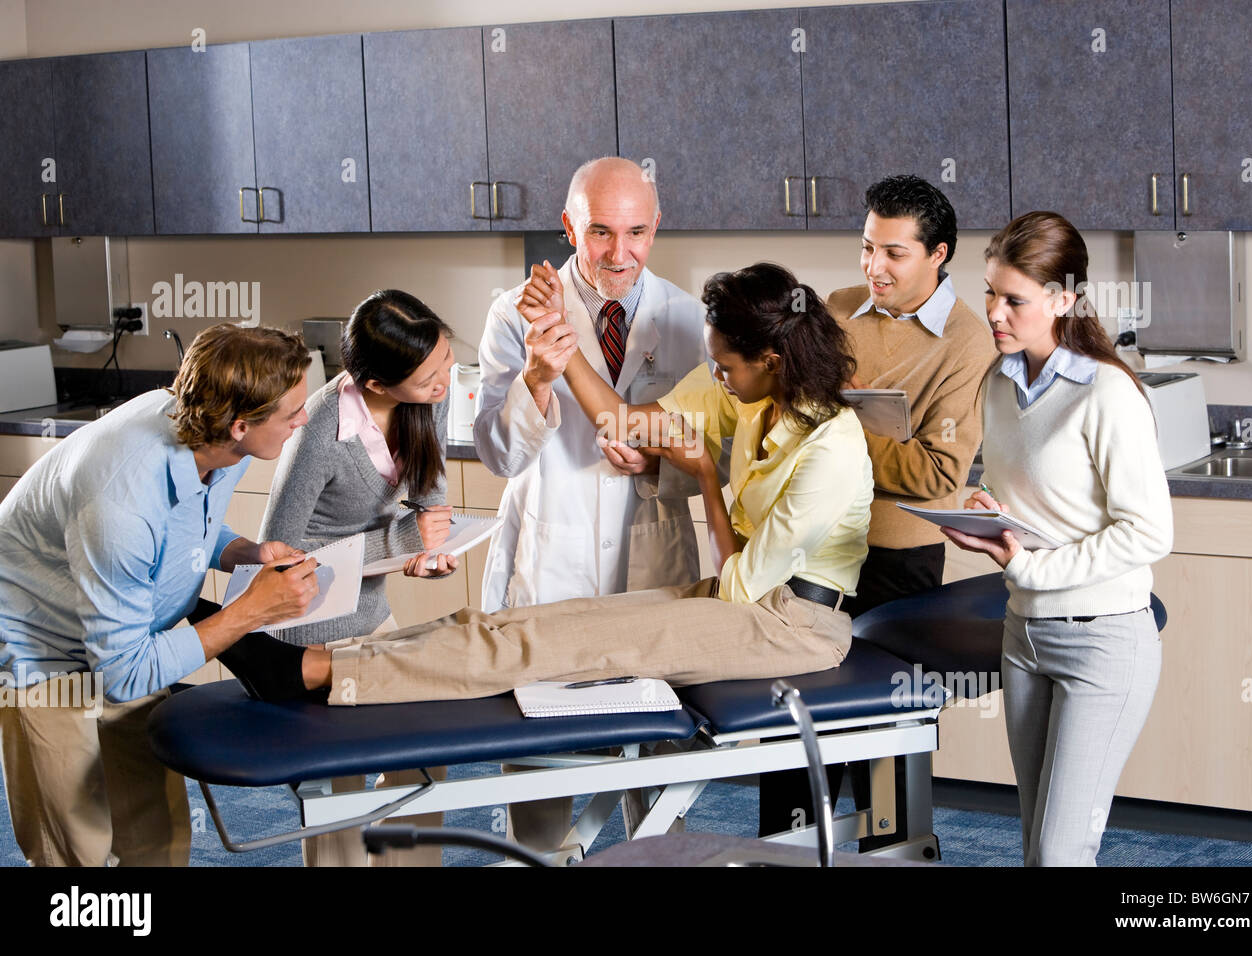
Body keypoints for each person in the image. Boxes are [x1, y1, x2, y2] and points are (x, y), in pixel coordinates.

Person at [219, 264, 872, 728]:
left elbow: (740, 588)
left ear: (772, 361)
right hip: (747, 599)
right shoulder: (756, 400)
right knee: (529, 623)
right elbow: (625, 420)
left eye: (727, 368)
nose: (719, 381)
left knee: (555, 651)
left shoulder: (830, 448)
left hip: (787, 625)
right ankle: (316, 660)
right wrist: (559, 340)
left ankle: (312, 673)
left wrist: (704, 473)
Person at [0, 324, 318, 866]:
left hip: (127, 632)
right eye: (292, 414)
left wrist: (246, 550)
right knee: (77, 846)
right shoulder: (120, 502)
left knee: (157, 835)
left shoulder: (209, 431)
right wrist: (248, 612)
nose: (303, 421)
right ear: (241, 425)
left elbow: (180, 524)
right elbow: (123, 671)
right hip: (40, 652)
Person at [474, 156, 712, 848]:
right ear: (568, 226)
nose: (620, 252)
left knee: (660, 763)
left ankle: (660, 861)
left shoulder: (687, 319)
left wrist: (655, 460)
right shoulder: (512, 314)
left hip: (653, 559)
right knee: (540, 766)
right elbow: (498, 454)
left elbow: (709, 454)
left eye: (636, 232)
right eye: (600, 232)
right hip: (550, 558)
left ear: (656, 226)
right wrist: (539, 381)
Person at [759, 174, 995, 843]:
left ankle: (893, 851)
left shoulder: (966, 343)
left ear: (937, 254)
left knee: (881, 733)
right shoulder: (833, 310)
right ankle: (788, 855)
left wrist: (842, 428)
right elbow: (787, 415)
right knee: (795, 718)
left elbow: (934, 471)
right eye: (868, 248)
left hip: (896, 557)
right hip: (812, 546)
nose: (874, 267)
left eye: (894, 253)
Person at [941, 211, 1173, 866]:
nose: (994, 312)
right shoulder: (1000, 381)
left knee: (1060, 853)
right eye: (989, 291)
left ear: (1065, 298)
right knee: (1036, 846)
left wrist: (1034, 569)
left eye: (1014, 299)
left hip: (1103, 643)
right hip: (1026, 635)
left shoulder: (1108, 393)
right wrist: (982, 509)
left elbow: (1149, 531)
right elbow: (1023, 487)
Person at [257, 289, 456, 867]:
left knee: (424, 747)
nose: (443, 381)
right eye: (428, 376)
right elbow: (282, 556)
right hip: (311, 623)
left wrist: (431, 550)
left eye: (446, 360)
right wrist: (404, 542)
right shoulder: (318, 432)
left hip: (370, 611)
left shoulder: (429, 395)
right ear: (375, 384)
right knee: (337, 787)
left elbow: (428, 496)